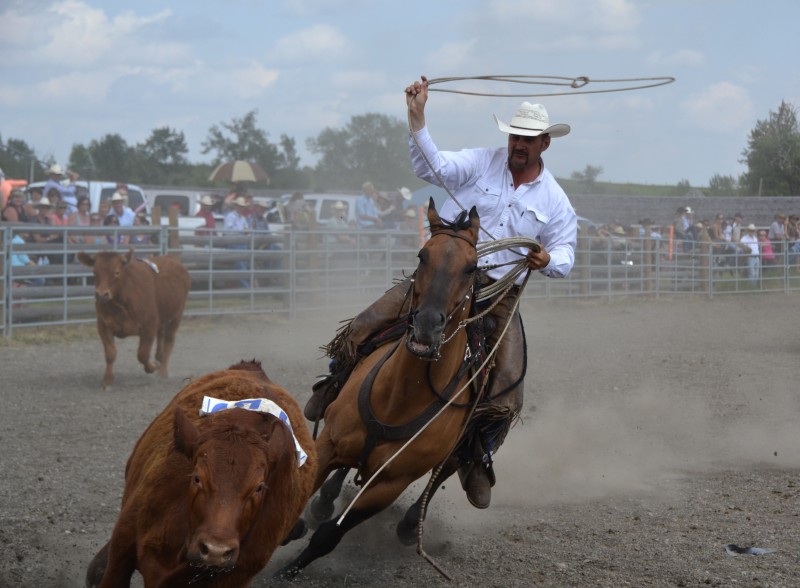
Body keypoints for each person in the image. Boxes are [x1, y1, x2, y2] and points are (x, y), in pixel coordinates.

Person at [306, 76, 577, 509]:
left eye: (527, 139)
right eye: (514, 137)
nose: (518, 145)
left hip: (497, 293)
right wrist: (417, 118)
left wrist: (549, 261)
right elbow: (434, 168)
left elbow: (566, 250)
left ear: (545, 143)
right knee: (366, 323)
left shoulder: (556, 201)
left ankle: (475, 456)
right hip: (444, 276)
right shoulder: (481, 162)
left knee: (507, 387)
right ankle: (333, 386)